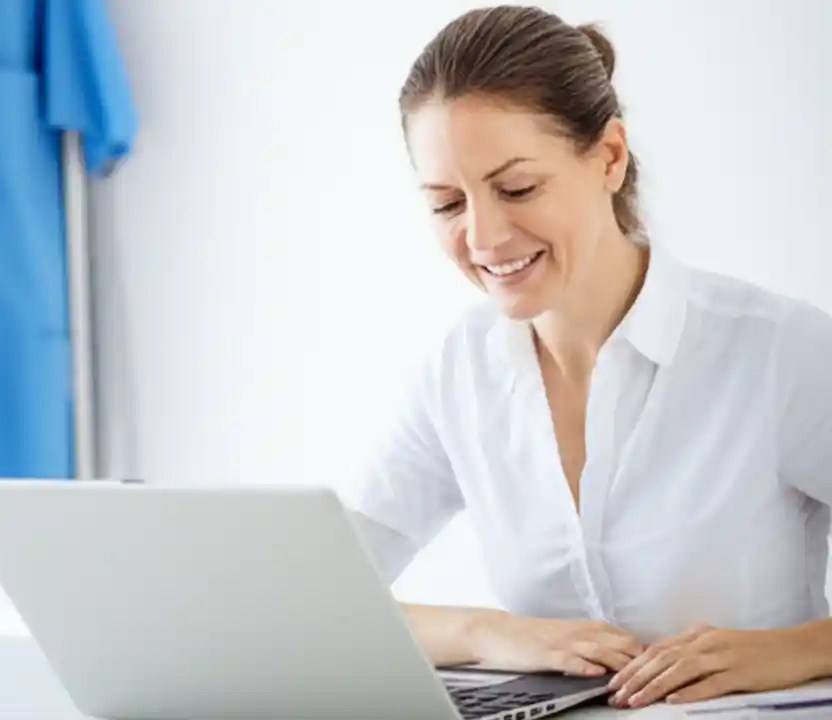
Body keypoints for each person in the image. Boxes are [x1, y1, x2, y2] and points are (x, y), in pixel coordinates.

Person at [342, 5, 832, 710]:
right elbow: (320, 599)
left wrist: (789, 651)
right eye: (448, 204)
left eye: (517, 189)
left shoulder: (773, 351)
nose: (483, 237)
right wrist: (490, 633)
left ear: (608, 156)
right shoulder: (461, 373)